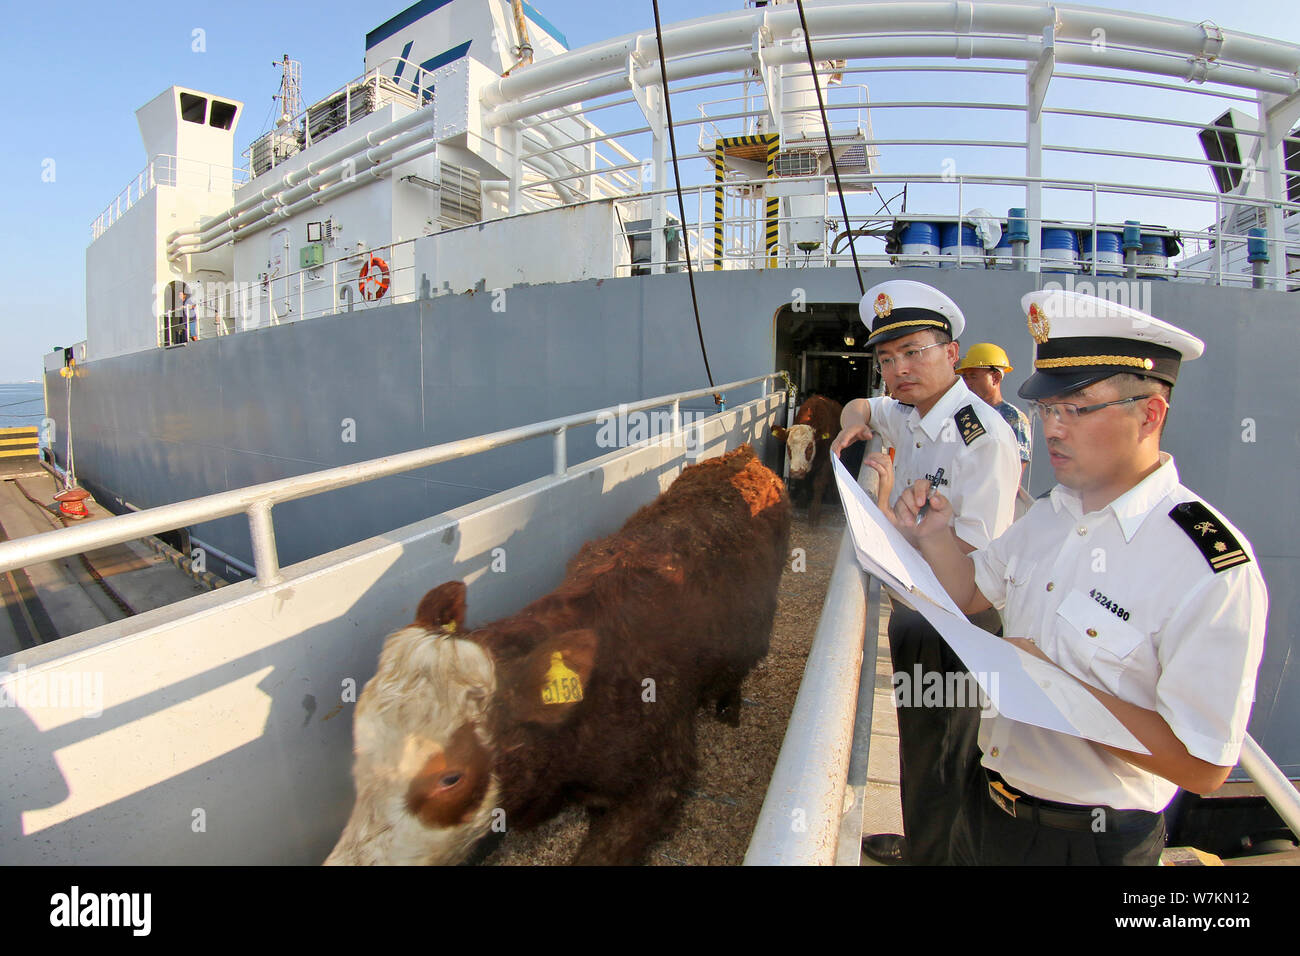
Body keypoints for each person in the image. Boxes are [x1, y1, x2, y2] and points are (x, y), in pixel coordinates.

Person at [892, 290, 1268, 865]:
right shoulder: (1051, 513)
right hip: (986, 808)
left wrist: (1053, 689)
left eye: (1078, 408)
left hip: (1087, 844)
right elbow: (970, 594)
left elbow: (1205, 764)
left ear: (1150, 413)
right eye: (1047, 410)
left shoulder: (1207, 566)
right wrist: (935, 534)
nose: (1053, 430)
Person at [830, 279, 1022, 865]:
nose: (899, 369)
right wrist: (850, 422)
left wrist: (908, 530)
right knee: (920, 750)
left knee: (946, 759)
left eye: (914, 351)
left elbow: (978, 573)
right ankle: (923, 843)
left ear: (951, 355)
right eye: (887, 359)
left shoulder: (981, 439)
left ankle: (935, 857)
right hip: (917, 613)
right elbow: (866, 407)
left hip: (957, 626)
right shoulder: (912, 414)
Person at [956, 343, 1031, 481]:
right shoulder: (962, 414)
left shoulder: (1013, 418)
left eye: (973, 376)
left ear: (995, 378)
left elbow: (1015, 471)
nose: (967, 383)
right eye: (965, 377)